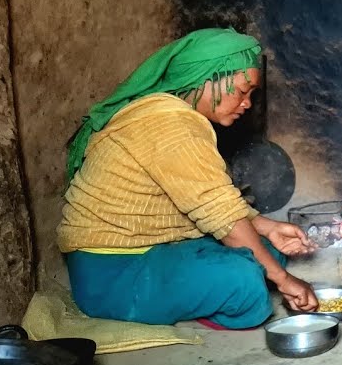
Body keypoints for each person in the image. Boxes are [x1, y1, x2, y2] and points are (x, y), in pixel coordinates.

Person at [57, 28, 318, 328]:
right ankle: (202, 302)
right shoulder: (172, 126)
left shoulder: (175, 116)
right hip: (113, 274)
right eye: (242, 91)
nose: (247, 103)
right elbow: (222, 216)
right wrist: (284, 280)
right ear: (205, 79)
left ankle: (199, 288)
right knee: (244, 282)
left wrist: (269, 228)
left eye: (252, 94)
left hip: (154, 250)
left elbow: (214, 201)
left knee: (265, 251)